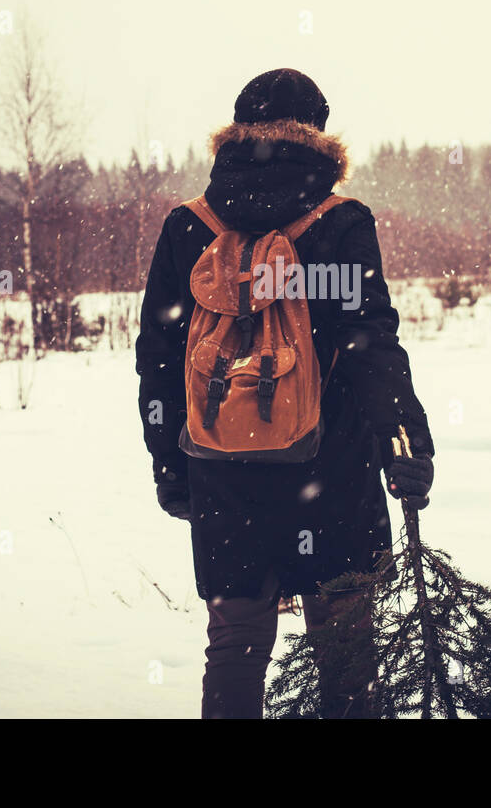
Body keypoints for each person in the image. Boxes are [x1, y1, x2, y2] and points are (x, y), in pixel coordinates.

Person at [135, 68, 435, 718]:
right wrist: (405, 443)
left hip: (221, 472)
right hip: (333, 471)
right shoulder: (339, 224)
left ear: (238, 134)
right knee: (348, 652)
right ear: (319, 138)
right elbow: (369, 343)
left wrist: (170, 463)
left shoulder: (188, 228)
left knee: (235, 645)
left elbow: (158, 358)